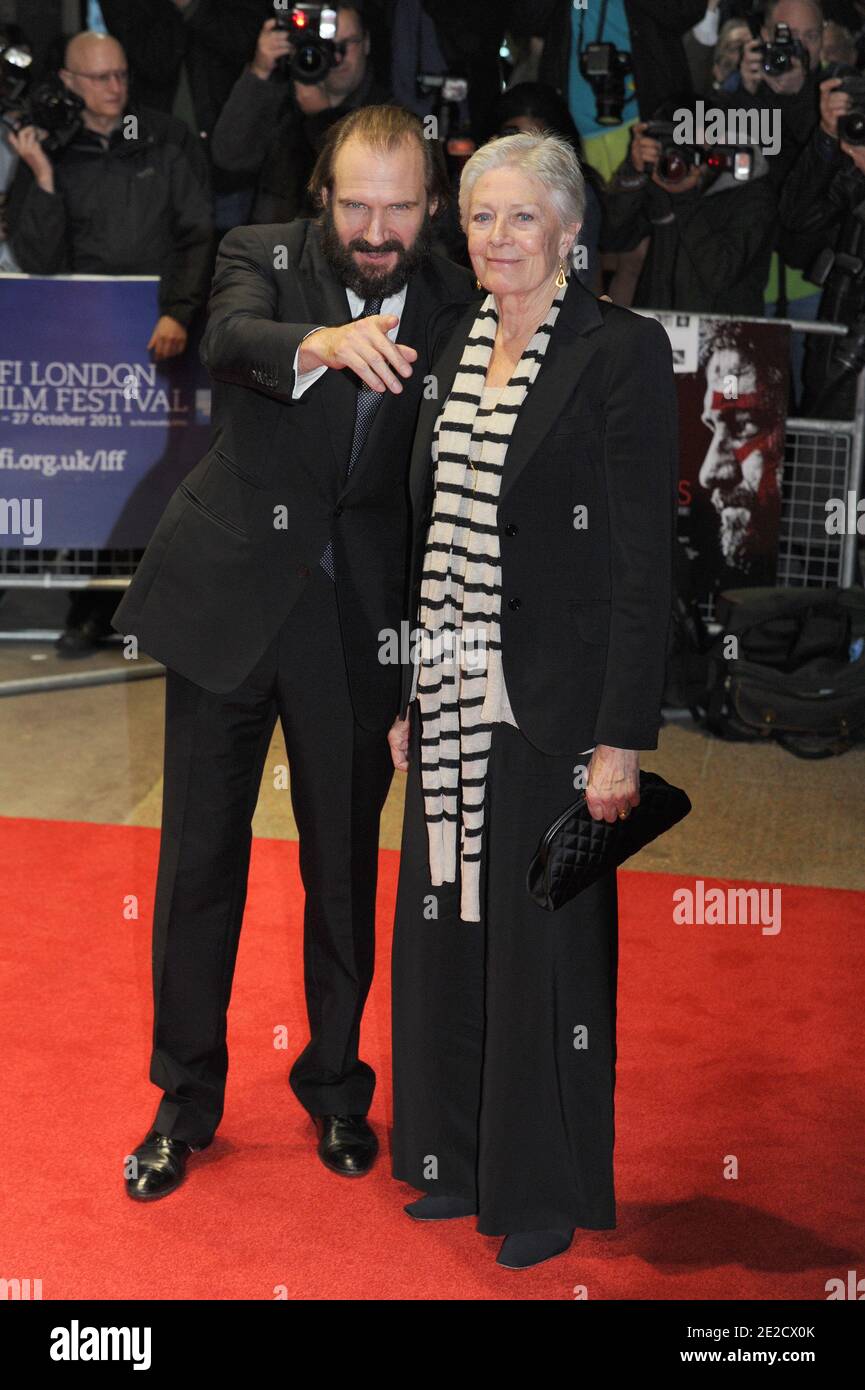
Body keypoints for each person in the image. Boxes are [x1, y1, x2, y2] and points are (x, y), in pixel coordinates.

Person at [112, 104, 475, 1201]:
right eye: (356, 203)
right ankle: (185, 1097)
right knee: (200, 862)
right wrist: (317, 344)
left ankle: (336, 1088)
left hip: (357, 623)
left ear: (430, 206)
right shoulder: (256, 256)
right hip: (228, 601)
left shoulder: (458, 296)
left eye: (398, 206)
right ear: (324, 194)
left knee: (341, 870)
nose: (375, 228)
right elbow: (226, 339)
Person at [386, 131, 678, 1269]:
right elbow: (430, 535)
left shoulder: (621, 351)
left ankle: (544, 1185)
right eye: (479, 218)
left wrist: (620, 738)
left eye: (520, 218)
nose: (496, 239)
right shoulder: (454, 340)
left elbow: (639, 562)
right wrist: (414, 687)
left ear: (568, 233)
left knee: (545, 952)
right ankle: (453, 1159)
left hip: (557, 707)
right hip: (453, 697)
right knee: (447, 930)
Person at [6, 30, 212, 656]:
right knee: (87, 479)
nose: (115, 88)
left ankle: (160, 612)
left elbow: (198, 232)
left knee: (165, 472)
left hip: (161, 337)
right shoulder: (53, 146)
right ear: (68, 81)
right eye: (100, 78)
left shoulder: (165, 137)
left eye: (121, 75)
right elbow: (38, 260)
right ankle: (91, 610)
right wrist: (41, 174)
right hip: (81, 349)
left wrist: (180, 310)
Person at [210, 3, 390, 225]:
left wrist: (321, 117)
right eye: (327, 45)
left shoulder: (390, 116)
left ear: (367, 43)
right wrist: (260, 72)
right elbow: (229, 158)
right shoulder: (282, 99)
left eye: (348, 43)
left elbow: (367, 187)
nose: (337, 56)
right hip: (276, 251)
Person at [603, 103, 777, 315]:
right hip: (658, 325)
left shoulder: (751, 193)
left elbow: (720, 273)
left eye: (694, 144)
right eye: (676, 144)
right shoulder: (663, 176)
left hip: (721, 335)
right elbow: (612, 238)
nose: (684, 155)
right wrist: (633, 171)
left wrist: (684, 198)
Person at [494, 81, 605, 293]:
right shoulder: (480, 185)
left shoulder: (577, 193)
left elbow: (582, 275)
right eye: (517, 142)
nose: (527, 155)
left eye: (536, 145)